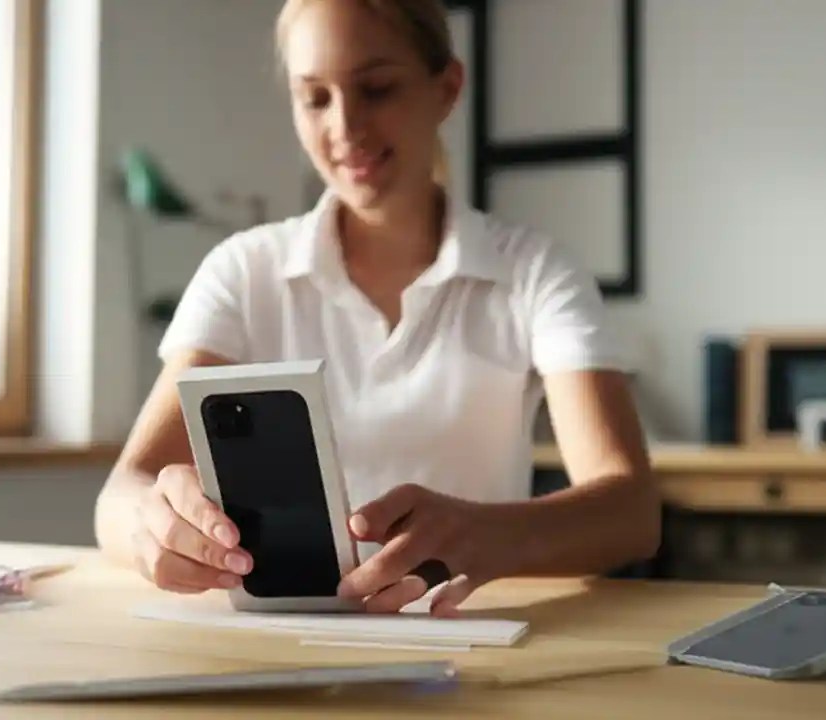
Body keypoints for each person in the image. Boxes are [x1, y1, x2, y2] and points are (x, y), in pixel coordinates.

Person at [94, 0, 660, 618]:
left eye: (378, 88)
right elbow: (122, 494)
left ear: (446, 89)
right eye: (315, 98)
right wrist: (152, 527)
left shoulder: (533, 272)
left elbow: (629, 512)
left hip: (465, 643)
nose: (345, 127)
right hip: (278, 644)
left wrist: (492, 534)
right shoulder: (243, 271)